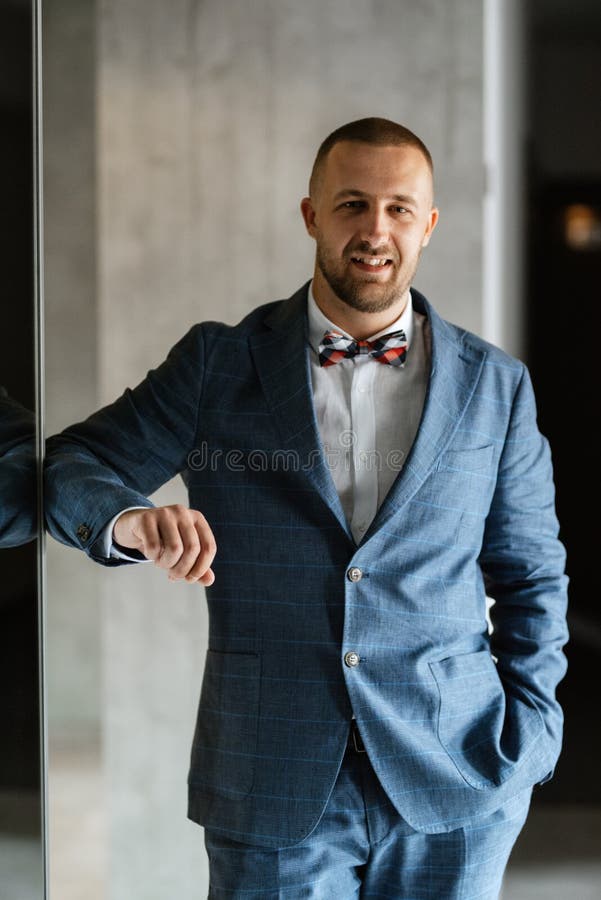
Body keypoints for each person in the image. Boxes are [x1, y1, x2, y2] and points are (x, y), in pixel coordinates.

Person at [45, 118, 568, 898]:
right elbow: (69, 468)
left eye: (398, 208)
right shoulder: (218, 364)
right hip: (270, 779)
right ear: (310, 215)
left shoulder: (496, 387)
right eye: (352, 204)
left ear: (427, 225)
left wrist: (529, 737)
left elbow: (531, 576)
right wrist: (128, 521)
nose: (374, 229)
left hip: (457, 775)